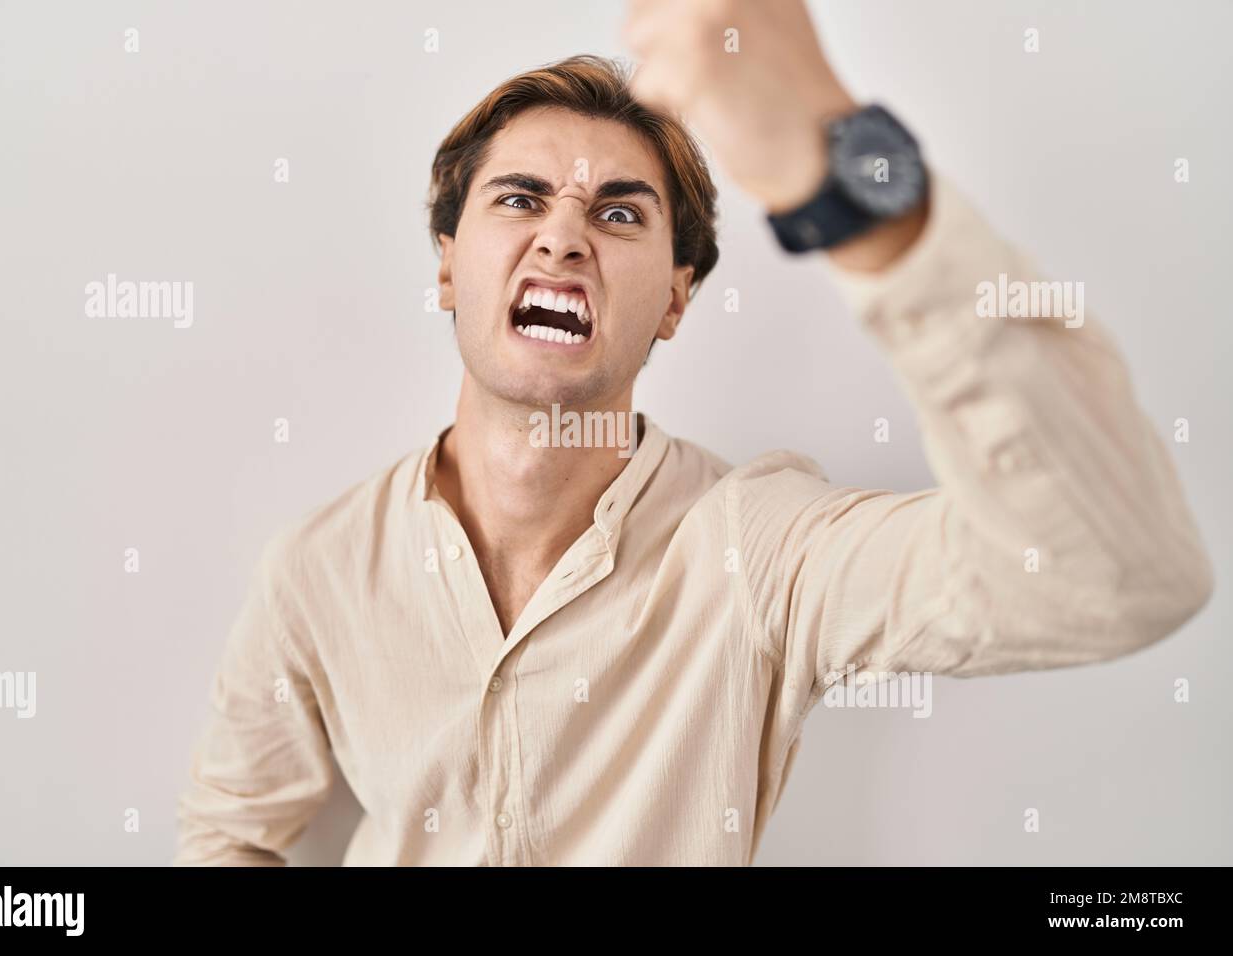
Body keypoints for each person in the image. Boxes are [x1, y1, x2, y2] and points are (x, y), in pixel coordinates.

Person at [174, 1, 1213, 866]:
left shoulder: (755, 550)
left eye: (620, 213)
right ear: (448, 264)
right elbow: (229, 833)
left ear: (675, 299)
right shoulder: (317, 567)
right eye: (520, 197)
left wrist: (851, 178)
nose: (564, 232)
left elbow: (1120, 577)